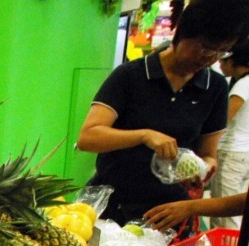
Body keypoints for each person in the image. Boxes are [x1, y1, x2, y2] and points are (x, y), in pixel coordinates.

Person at [77, 0, 249, 226]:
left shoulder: (214, 87)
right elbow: (87, 138)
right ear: (182, 33)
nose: (210, 58)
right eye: (205, 47)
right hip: (113, 205)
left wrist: (202, 169)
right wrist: (144, 135)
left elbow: (209, 154)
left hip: (168, 212)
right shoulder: (130, 76)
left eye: (221, 51)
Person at [208, 40, 249, 228]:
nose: (220, 64)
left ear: (234, 62)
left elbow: (222, 121)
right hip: (244, 153)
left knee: (224, 212)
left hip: (232, 153)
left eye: (224, 59)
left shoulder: (242, 86)